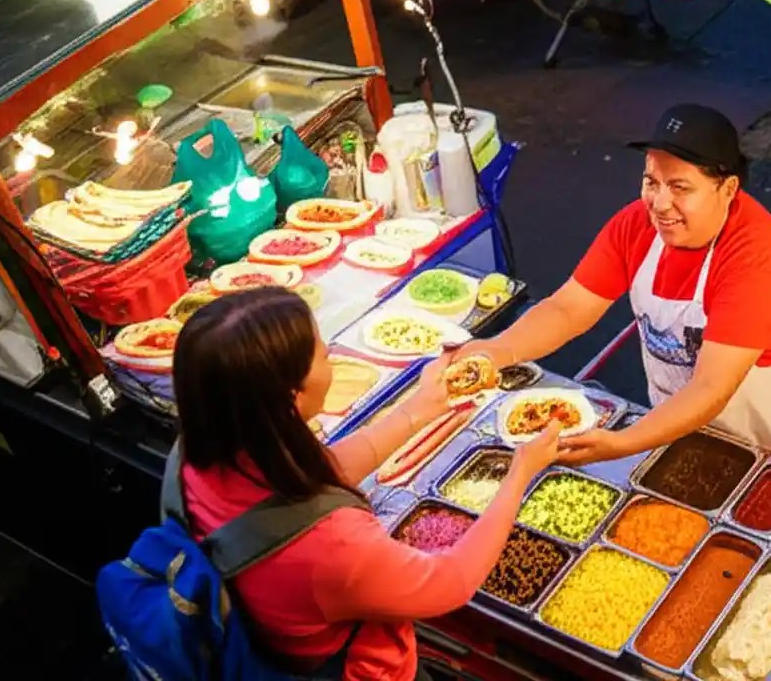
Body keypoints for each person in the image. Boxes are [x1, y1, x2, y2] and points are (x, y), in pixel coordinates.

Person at [171, 287, 560, 681]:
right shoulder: (332, 546)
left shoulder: (198, 452)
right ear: (292, 396)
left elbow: (315, 474)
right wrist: (521, 473)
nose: (333, 359)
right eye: (322, 354)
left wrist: (421, 407)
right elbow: (450, 582)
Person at [435, 104, 771, 464]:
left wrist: (622, 443)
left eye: (680, 188)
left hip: (757, 440)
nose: (661, 203)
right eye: (652, 181)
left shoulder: (757, 260)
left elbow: (710, 388)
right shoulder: (637, 225)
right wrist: (493, 352)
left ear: (728, 189)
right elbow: (568, 310)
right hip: (667, 422)